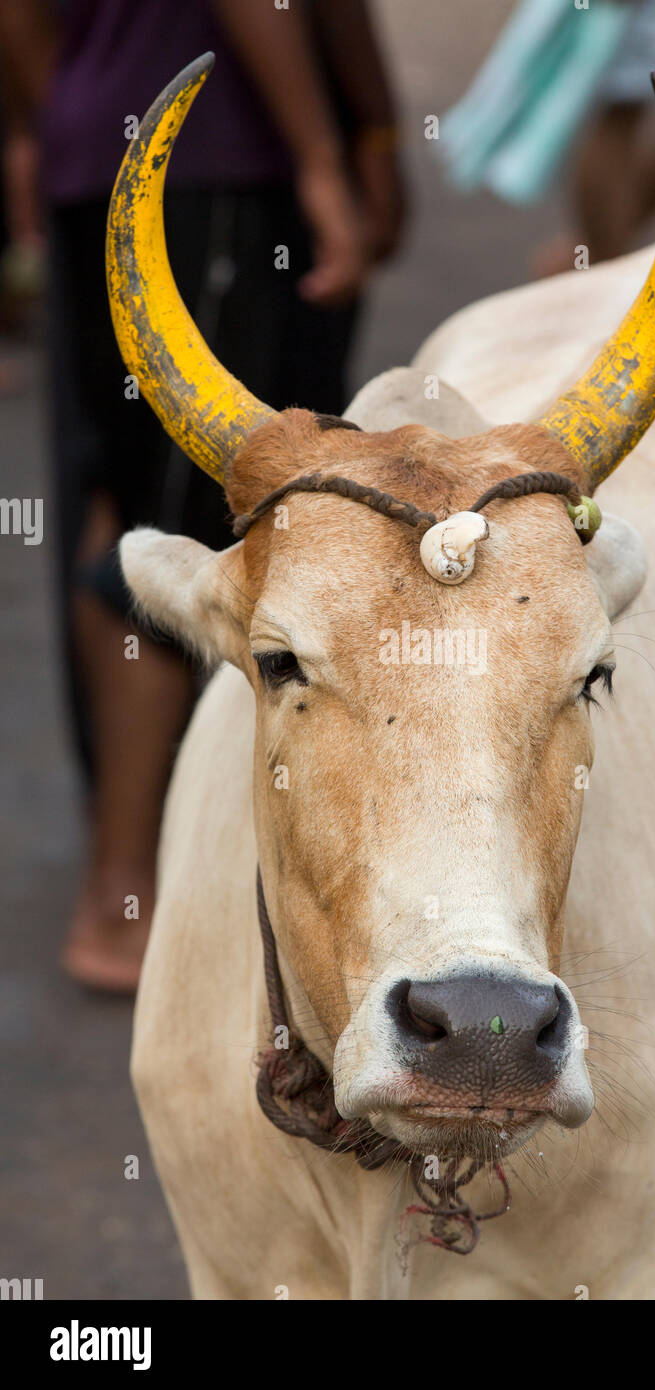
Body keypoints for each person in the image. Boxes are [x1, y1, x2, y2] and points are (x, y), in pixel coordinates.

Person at [0, 0, 405, 991]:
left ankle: (139, 866)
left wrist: (63, 120)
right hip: (222, 162)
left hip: (106, 159)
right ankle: (124, 892)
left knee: (118, 503)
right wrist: (336, 152)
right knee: (189, 533)